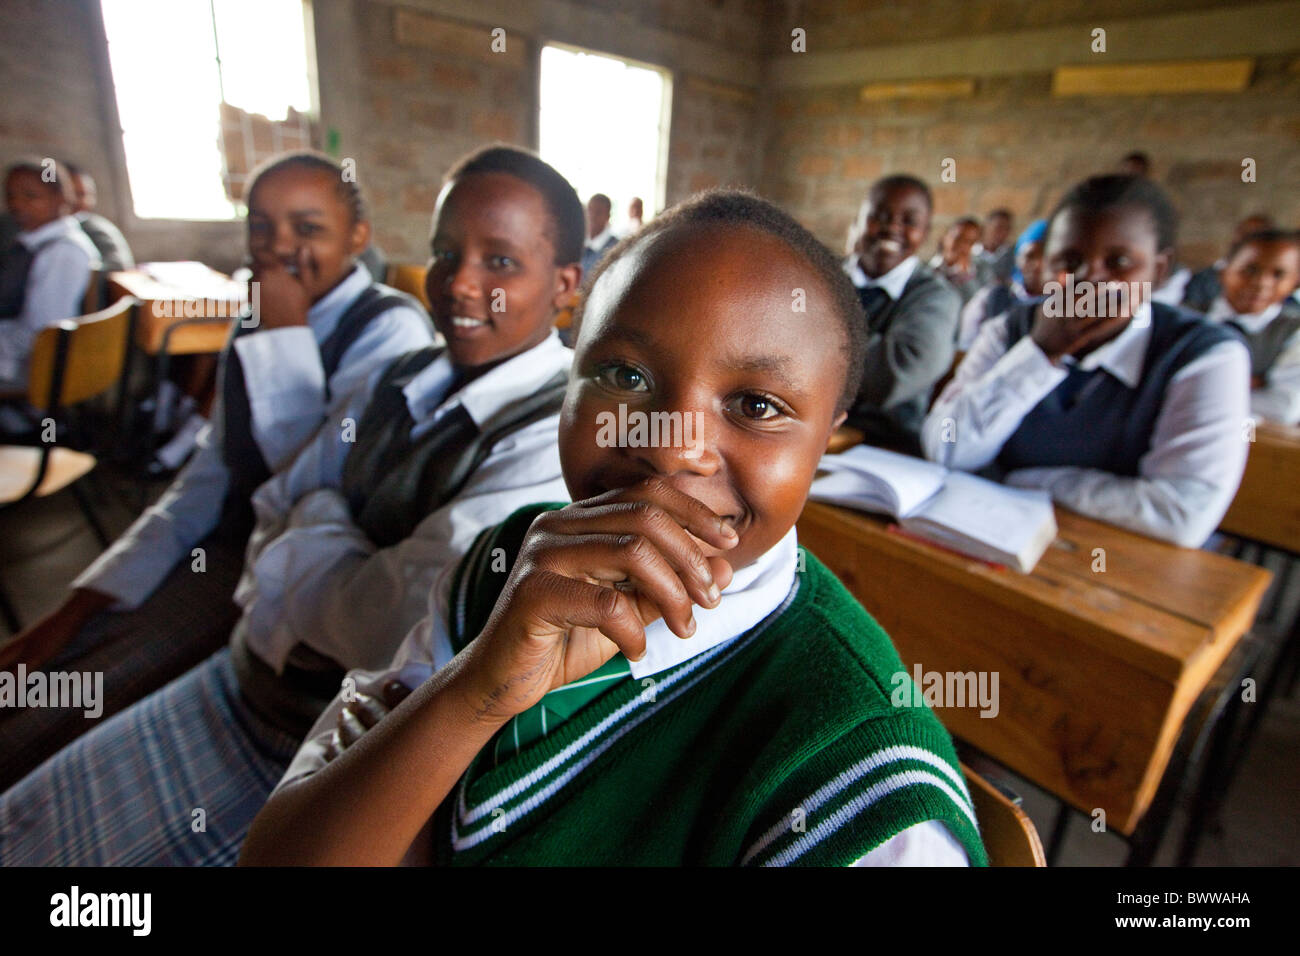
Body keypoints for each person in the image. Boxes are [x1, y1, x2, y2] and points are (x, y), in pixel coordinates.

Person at [241, 189, 988, 867]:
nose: (667, 444)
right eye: (625, 377)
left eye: (756, 406)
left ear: (828, 437)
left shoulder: (858, 775)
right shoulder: (504, 564)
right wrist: (476, 692)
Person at [0, 145, 584, 866]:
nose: (460, 284)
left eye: (500, 263)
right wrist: (324, 535)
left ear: (566, 285)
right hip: (245, 673)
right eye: (443, 252)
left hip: (319, 747)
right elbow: (280, 492)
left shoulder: (549, 433)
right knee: (24, 823)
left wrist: (313, 524)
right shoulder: (404, 375)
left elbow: (391, 620)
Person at [0, 150, 433, 790]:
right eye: (262, 226)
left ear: (356, 237)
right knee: (44, 664)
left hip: (283, 578)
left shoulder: (391, 331)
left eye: (307, 228)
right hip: (221, 543)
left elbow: (314, 493)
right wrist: (81, 601)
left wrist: (284, 331)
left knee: (73, 705)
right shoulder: (256, 315)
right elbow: (207, 475)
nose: (279, 247)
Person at [922, 174, 1250, 549]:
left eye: (1118, 262)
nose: (1089, 279)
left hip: (1127, 565)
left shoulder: (1204, 355)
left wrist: (1029, 481)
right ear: (1045, 265)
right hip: (1000, 537)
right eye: (1069, 260)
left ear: (1158, 272)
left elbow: (1181, 513)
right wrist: (1041, 353)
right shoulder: (1009, 330)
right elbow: (946, 448)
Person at [843, 174, 960, 454]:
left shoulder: (935, 297)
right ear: (859, 220)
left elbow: (896, 374)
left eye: (909, 221)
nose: (892, 228)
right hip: (797, 429)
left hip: (884, 444)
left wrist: (806, 339)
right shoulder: (817, 275)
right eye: (879, 216)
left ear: (926, 231)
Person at [0, 159, 100, 390]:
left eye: (31, 196)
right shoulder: (31, 242)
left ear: (61, 199)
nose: (17, 205)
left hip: (28, 367)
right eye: (11, 196)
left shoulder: (62, 252)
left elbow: (43, 333)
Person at [1205, 228, 1300, 425]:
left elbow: (1284, 406)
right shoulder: (1187, 315)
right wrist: (1247, 385)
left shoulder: (1293, 331)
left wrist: (1199, 389)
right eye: (1250, 269)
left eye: (1278, 275)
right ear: (1224, 270)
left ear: (1294, 284)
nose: (1261, 283)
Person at [958, 218, 1047, 349]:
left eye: (1045, 258)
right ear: (1018, 259)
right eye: (1030, 256)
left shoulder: (1058, 307)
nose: (1037, 265)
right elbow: (965, 343)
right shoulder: (993, 296)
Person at [1181, 213, 1276, 314]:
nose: (1246, 241)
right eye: (1243, 233)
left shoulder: (1273, 291)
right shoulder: (1203, 278)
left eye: (1257, 237)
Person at [64, 161, 134, 273]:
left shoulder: (94, 228)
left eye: (85, 194)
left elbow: (117, 267)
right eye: (73, 193)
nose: (80, 202)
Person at [929, 216, 982, 305]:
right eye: (957, 238)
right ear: (945, 237)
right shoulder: (928, 268)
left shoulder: (982, 271)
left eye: (968, 242)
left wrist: (965, 275)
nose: (961, 245)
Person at [974, 208, 1015, 287]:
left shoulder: (1013, 256)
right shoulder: (971, 252)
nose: (1002, 233)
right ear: (986, 227)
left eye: (1007, 229)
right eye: (998, 227)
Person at [581, 193, 617, 276]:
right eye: (589, 210)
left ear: (608, 216)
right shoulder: (579, 244)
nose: (592, 215)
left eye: (599, 212)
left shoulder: (615, 249)